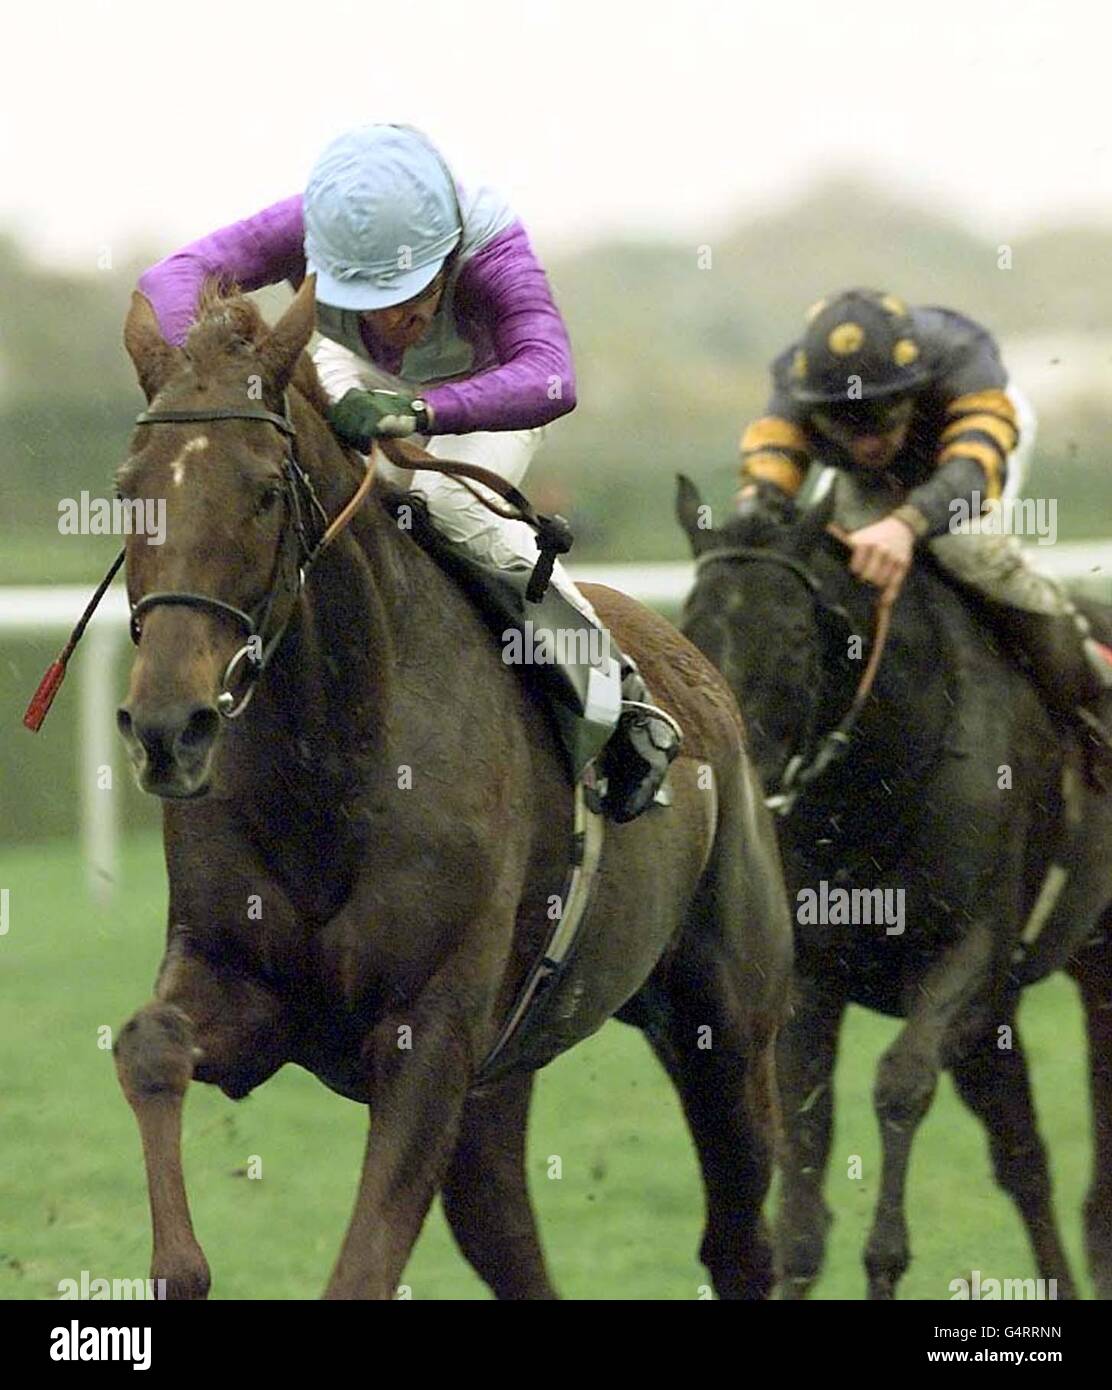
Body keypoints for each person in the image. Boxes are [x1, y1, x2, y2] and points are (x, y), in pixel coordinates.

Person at [136, 122, 680, 822]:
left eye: (407, 294)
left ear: (449, 252)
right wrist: (200, 377)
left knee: (448, 510)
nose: (392, 321)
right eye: (365, 297)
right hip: (351, 371)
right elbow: (168, 279)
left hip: (484, 387)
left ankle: (619, 696)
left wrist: (424, 409)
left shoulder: (492, 243)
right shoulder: (308, 222)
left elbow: (552, 378)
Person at [735, 287, 1112, 782]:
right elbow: (770, 470)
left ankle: (1091, 684)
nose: (868, 441)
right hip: (875, 467)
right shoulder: (798, 377)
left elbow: (973, 472)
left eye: (884, 414)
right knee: (837, 551)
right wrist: (750, 517)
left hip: (962, 456)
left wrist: (905, 524)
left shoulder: (960, 357)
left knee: (963, 546)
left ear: (915, 389)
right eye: (848, 422)